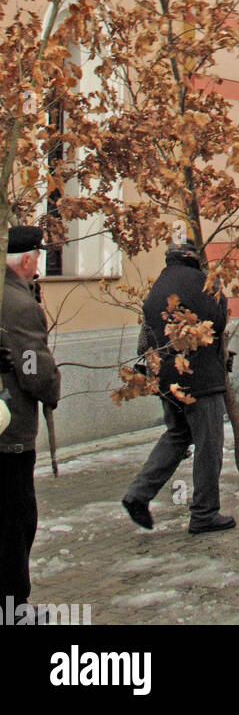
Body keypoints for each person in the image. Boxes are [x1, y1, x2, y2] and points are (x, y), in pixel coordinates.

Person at [122, 237, 234, 534]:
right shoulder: (205, 282)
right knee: (209, 444)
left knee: (177, 434)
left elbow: (147, 337)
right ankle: (204, 513)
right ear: (194, 257)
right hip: (201, 376)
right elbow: (219, 322)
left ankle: (139, 493)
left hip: (165, 377)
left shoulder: (157, 286)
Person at [0, 227, 61, 609]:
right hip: (11, 432)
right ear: (27, 260)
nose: (39, 262)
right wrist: (51, 388)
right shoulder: (19, 306)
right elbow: (33, 368)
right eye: (38, 256)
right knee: (16, 522)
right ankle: (12, 606)